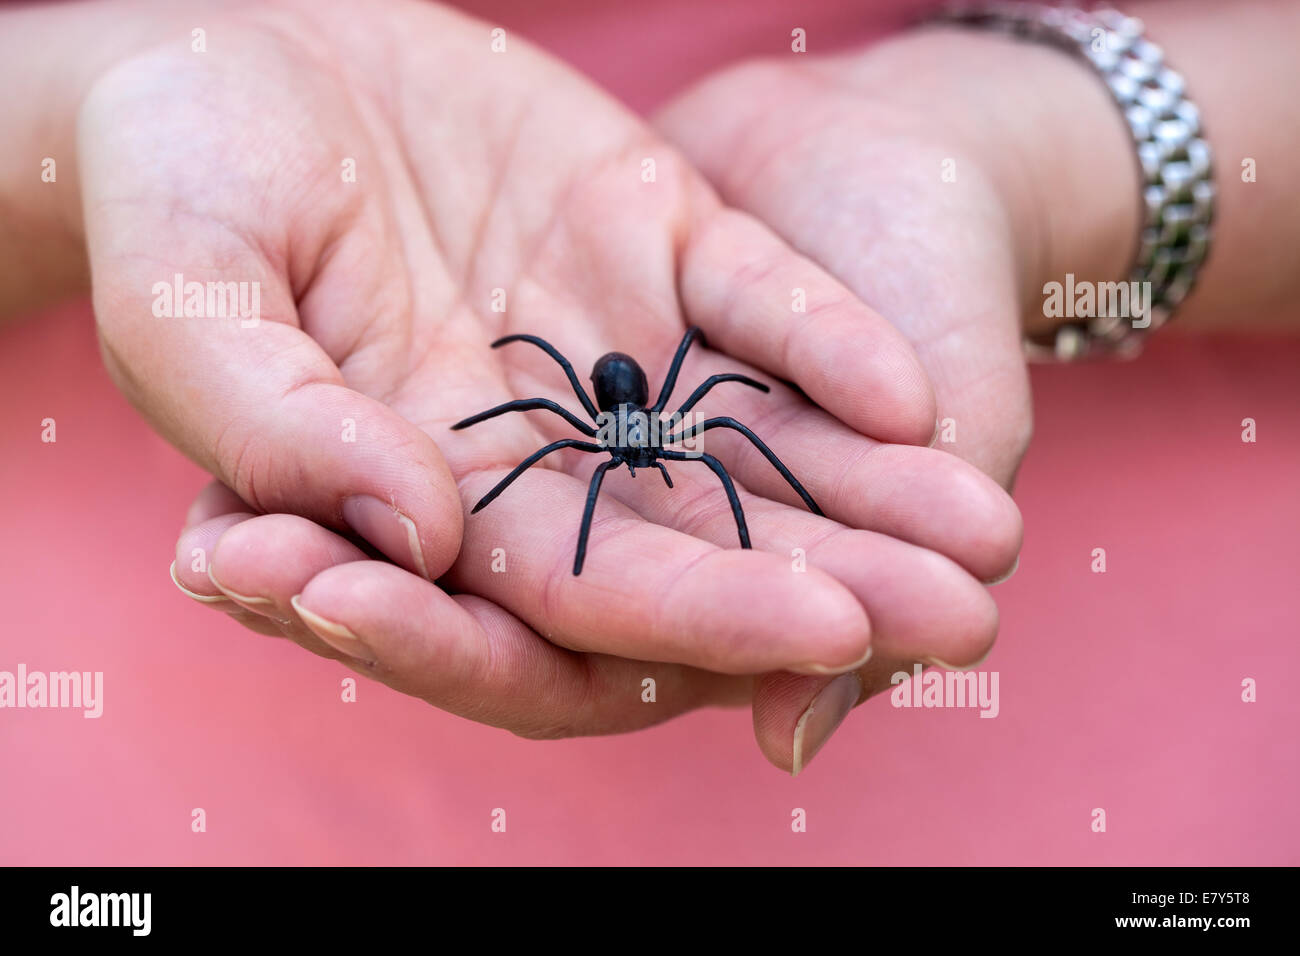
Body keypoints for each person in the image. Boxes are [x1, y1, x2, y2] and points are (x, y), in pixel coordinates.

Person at [1, 0, 1293, 774]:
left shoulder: (669, 407)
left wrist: (1025, 156)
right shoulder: (585, 407)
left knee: (733, 422)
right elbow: (543, 400)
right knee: (548, 428)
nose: (623, 450)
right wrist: (75, 100)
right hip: (127, 737)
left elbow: (713, 414)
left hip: (1168, 680)